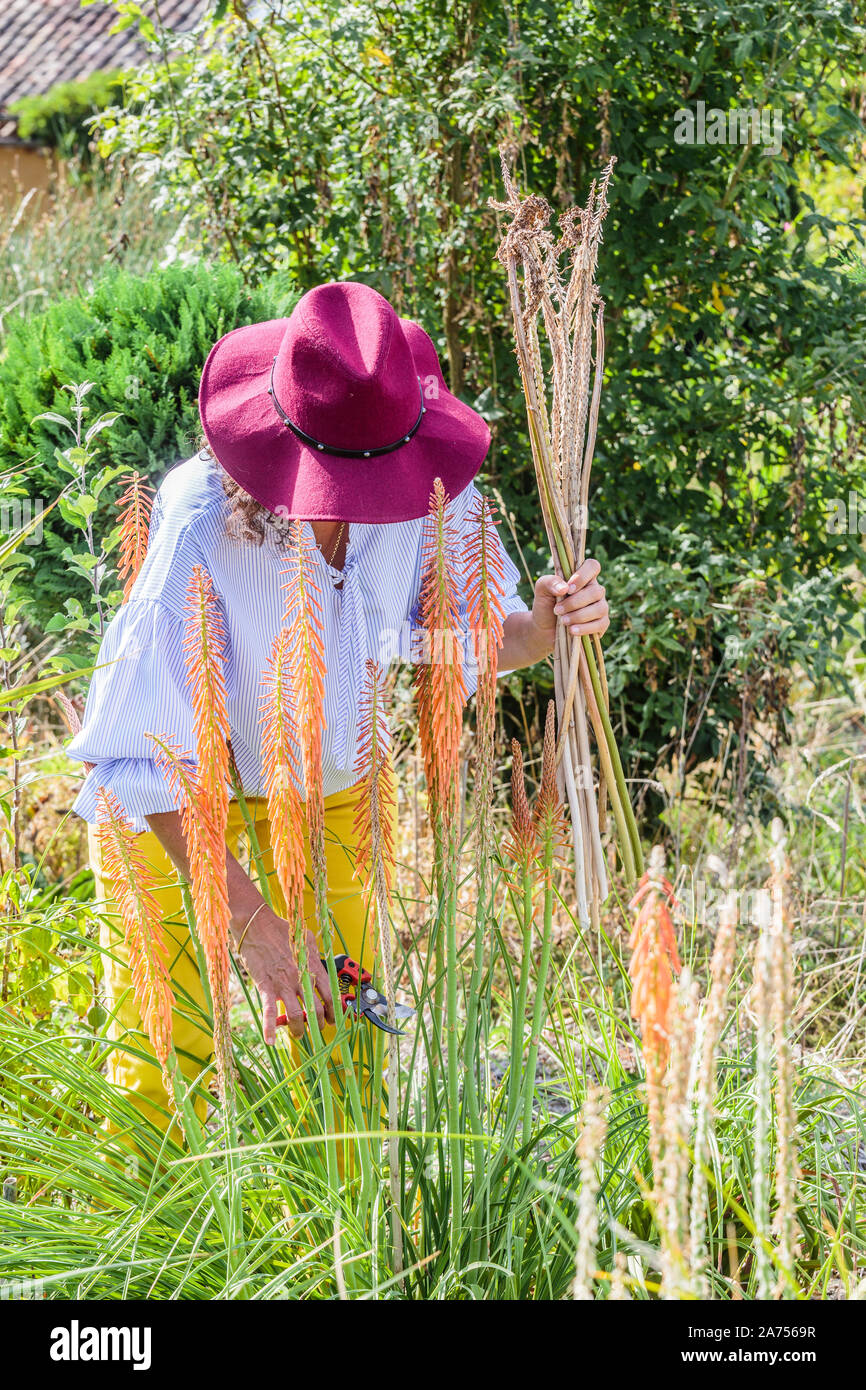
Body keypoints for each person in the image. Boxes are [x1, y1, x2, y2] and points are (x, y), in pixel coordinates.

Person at [67, 280, 610, 1130]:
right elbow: (133, 754)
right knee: (163, 1060)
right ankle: (152, 1252)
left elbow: (466, 640)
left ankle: (339, 1253)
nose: (363, 500)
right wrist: (251, 922)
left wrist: (545, 627)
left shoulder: (429, 481)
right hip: (172, 804)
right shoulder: (199, 518)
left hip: (328, 796)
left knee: (344, 1047)